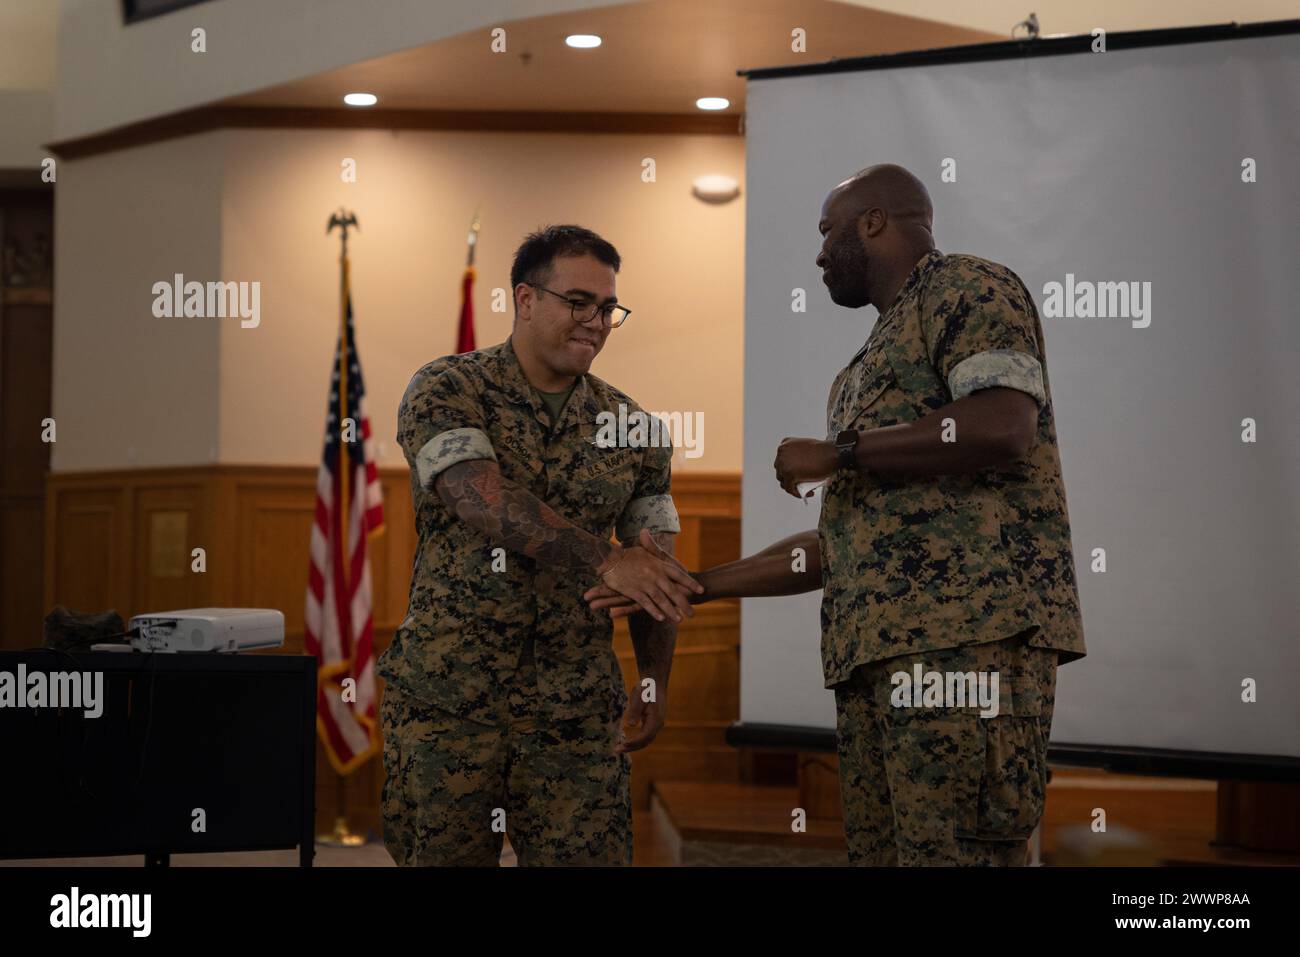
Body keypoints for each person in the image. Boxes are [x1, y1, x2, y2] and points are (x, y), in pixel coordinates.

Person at [587, 165, 1086, 865]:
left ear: (875, 221)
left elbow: (1005, 424)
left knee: (958, 853)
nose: (820, 255)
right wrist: (699, 582)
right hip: (876, 662)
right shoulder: (864, 366)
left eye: (828, 233)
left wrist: (841, 450)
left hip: (966, 649)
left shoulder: (968, 287)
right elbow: (838, 546)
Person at [379, 224, 701, 866]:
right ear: (525, 299)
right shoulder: (447, 388)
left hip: (575, 717)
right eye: (578, 302)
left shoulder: (635, 430)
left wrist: (652, 681)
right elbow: (477, 495)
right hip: (450, 703)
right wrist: (609, 559)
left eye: (608, 308)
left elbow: (653, 568)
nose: (596, 322)